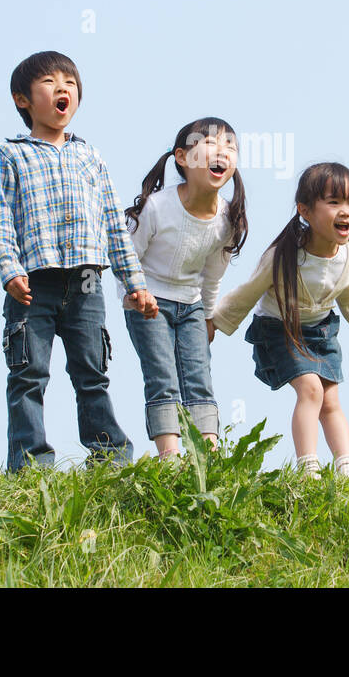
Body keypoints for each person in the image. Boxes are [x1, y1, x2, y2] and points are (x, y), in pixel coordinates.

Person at [0, 50, 157, 471]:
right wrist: (10, 270)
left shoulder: (90, 157)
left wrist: (134, 282)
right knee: (29, 374)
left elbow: (113, 226)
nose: (62, 88)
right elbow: (1, 216)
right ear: (21, 99)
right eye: (49, 82)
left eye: (71, 83)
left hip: (86, 283)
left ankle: (110, 457)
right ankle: (29, 465)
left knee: (92, 374)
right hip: (33, 284)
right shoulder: (9, 154)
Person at [211, 162, 349, 478]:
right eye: (334, 202)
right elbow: (247, 293)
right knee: (311, 389)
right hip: (279, 330)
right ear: (305, 211)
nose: (346, 211)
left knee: (330, 397)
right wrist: (214, 322)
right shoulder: (283, 256)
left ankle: (347, 467)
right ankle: (308, 467)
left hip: (322, 331)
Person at [119, 118, 249, 459]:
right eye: (209, 143)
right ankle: (170, 458)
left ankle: (208, 457)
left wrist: (207, 316)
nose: (222, 151)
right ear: (182, 157)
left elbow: (213, 274)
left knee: (199, 378)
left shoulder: (227, 219)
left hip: (190, 306)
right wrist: (135, 292)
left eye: (230, 146)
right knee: (163, 377)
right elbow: (127, 255)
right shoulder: (158, 206)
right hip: (148, 302)